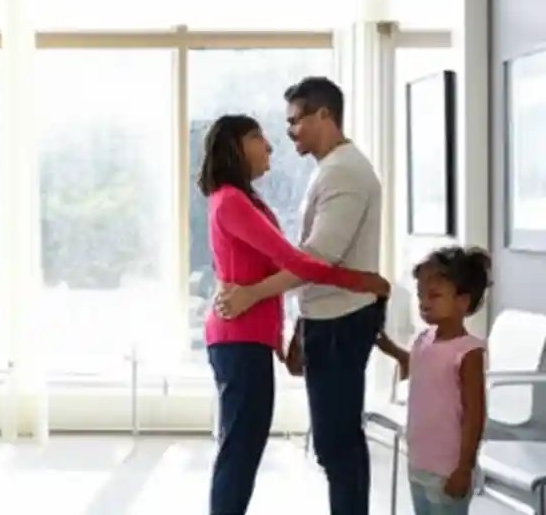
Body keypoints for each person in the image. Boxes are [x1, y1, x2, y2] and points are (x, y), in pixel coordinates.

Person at [198, 114, 390, 515]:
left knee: (243, 445)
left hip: (246, 337)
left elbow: (272, 269)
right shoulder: (232, 200)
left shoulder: (243, 199)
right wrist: (360, 281)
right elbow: (295, 261)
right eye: (257, 137)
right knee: (240, 448)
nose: (270, 145)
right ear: (234, 146)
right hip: (238, 338)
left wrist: (285, 332)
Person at [377, 248, 489, 515]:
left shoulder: (468, 352)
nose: (424, 303)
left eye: (434, 295)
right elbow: (419, 370)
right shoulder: (423, 340)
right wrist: (390, 348)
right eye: (420, 296)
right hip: (418, 463)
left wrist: (464, 468)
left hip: (448, 470)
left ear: (463, 301)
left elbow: (475, 415)